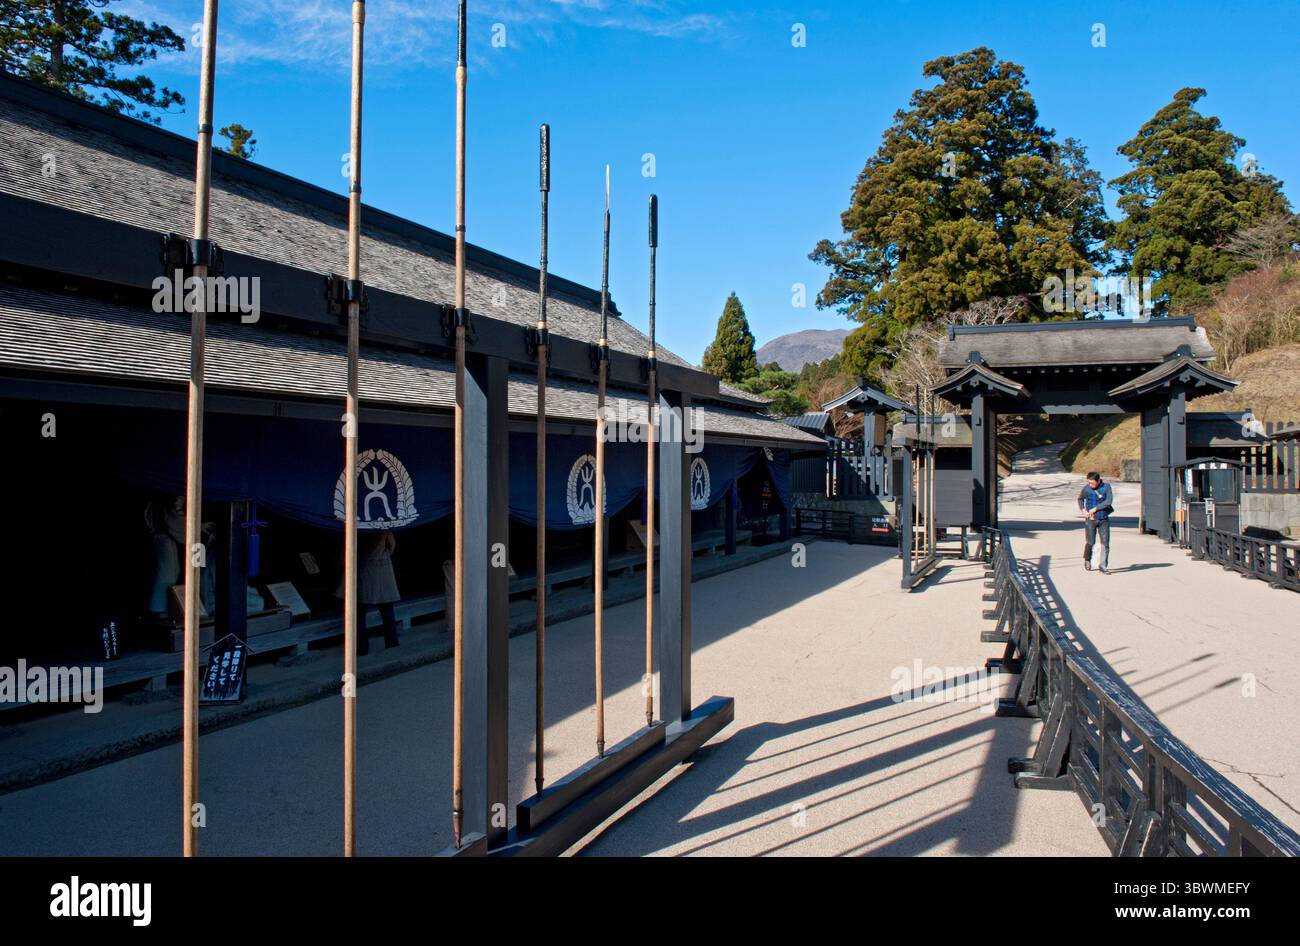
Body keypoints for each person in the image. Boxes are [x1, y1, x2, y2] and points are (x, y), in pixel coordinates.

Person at [337, 529, 401, 655]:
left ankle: (361, 648)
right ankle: (392, 643)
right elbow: (392, 546)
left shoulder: (358, 525)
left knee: (359, 613)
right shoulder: (383, 525)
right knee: (387, 609)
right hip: (383, 567)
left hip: (363, 567)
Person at [1077, 472, 1114, 574]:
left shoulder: (1106, 487)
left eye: (1092, 483)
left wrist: (1096, 508)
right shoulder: (1086, 489)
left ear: (1098, 481)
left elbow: (1108, 501)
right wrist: (1083, 509)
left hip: (1103, 519)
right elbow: (1080, 499)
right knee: (1090, 542)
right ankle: (1087, 559)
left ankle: (1103, 566)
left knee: (1105, 543)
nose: (1090, 485)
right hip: (1090, 520)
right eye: (1089, 483)